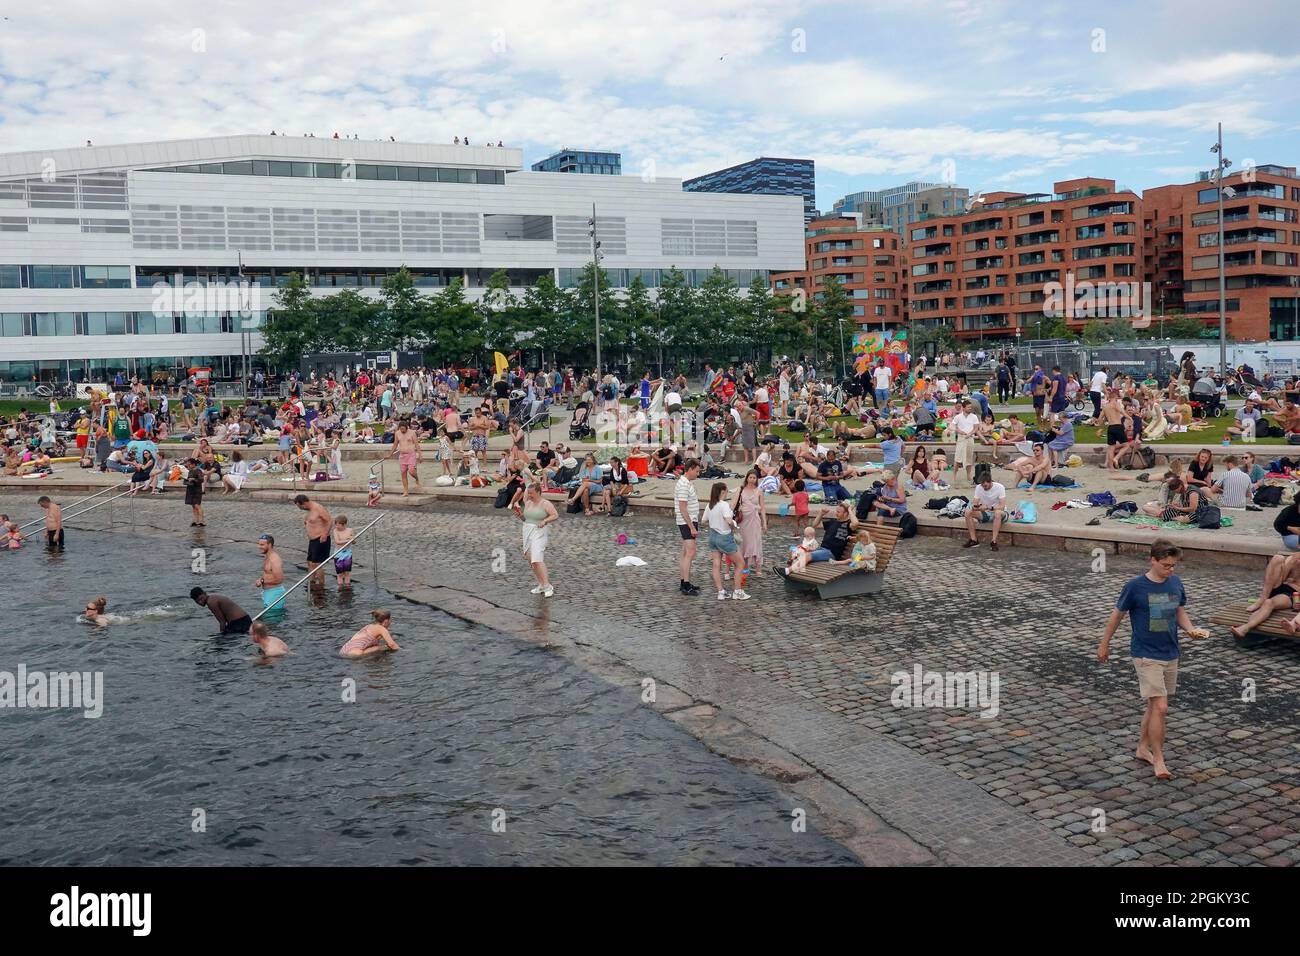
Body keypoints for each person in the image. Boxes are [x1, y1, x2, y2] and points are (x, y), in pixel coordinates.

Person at [1097, 540, 1208, 780]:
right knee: (1162, 706)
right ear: (1153, 560)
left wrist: (1190, 629)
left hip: (1170, 652)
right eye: (1166, 565)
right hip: (1145, 654)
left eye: (1173, 565)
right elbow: (1117, 615)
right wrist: (1104, 644)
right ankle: (1159, 759)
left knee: (1153, 706)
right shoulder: (1135, 587)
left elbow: (1179, 610)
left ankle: (1142, 748)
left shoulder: (1176, 582)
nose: (1171, 570)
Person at [703, 482, 749, 601]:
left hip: (713, 536)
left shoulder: (710, 505)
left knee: (716, 565)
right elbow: (729, 520)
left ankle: (721, 592)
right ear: (722, 492)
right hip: (724, 537)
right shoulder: (723, 505)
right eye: (727, 491)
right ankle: (738, 591)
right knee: (740, 563)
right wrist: (734, 526)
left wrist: (714, 523)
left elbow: (703, 521)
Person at [513, 482, 558, 597]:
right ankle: (541, 584)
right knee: (530, 559)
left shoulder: (545, 503)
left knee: (537, 558)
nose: (529, 495)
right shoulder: (528, 503)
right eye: (528, 493)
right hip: (527, 531)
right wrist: (520, 515)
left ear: (538, 492)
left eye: (531, 493)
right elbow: (526, 519)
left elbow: (554, 515)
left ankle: (548, 586)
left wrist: (545, 521)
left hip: (539, 532)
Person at [674, 459, 702, 595]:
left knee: (685, 552)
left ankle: (684, 581)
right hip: (686, 521)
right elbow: (682, 508)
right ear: (690, 469)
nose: (698, 474)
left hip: (688, 520)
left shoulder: (686, 482)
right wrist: (692, 527)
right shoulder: (684, 484)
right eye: (696, 471)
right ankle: (685, 584)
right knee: (690, 552)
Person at [294, 494, 333, 589]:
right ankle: (311, 582)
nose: (300, 509)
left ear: (304, 504)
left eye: (300, 507)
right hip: (313, 540)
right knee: (310, 562)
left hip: (320, 539)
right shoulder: (309, 510)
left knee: (317, 563)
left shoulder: (318, 508)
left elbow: (329, 520)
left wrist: (324, 534)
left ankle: (321, 585)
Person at [962, 473, 1005, 552]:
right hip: (986, 513)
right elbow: (974, 503)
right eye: (982, 485)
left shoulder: (999, 487)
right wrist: (977, 507)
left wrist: (989, 507)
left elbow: (1002, 506)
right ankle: (974, 540)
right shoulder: (979, 487)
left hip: (999, 512)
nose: (983, 487)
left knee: (998, 513)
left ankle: (993, 541)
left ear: (990, 482)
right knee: (968, 512)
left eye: (985, 485)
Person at [388, 421, 423, 496]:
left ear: (407, 427)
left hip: (411, 454)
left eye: (404, 429)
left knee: (411, 471)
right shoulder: (397, 433)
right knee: (403, 473)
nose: (402, 430)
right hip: (402, 456)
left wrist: (420, 455)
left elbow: (416, 444)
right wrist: (390, 454)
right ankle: (406, 491)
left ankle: (417, 479)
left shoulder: (412, 433)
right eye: (401, 429)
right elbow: (395, 444)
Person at [950, 399, 979, 485]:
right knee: (957, 458)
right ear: (963, 408)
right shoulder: (958, 417)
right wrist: (960, 431)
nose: (970, 408)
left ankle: (968, 475)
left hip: (970, 438)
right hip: (961, 438)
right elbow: (952, 426)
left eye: (971, 407)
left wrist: (970, 434)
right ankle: (954, 475)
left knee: (969, 457)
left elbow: (976, 428)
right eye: (968, 407)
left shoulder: (974, 416)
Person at [332, 516, 355, 588]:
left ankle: (348, 588)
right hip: (338, 554)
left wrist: (352, 539)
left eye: (338, 525)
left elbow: (354, 542)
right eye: (336, 524)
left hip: (347, 553)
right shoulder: (335, 531)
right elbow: (337, 542)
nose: (336, 526)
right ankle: (340, 588)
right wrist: (348, 540)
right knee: (340, 574)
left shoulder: (350, 530)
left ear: (344, 524)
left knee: (347, 573)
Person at [184, 459, 205, 526]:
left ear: (193, 464)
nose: (188, 465)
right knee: (193, 505)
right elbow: (187, 479)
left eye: (189, 464)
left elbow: (201, 479)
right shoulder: (190, 471)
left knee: (197, 505)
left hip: (196, 490)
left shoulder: (198, 470)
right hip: (190, 489)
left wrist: (193, 479)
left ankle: (201, 521)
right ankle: (196, 520)